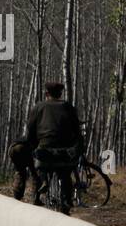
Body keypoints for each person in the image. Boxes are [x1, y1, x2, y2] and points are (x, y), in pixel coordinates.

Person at [18, 81, 84, 214]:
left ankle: (43, 182)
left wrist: (32, 145)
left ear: (46, 93)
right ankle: (66, 202)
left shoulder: (38, 107)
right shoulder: (68, 107)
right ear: (60, 94)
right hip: (65, 150)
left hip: (45, 147)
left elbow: (30, 129)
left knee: (41, 167)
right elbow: (77, 130)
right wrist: (77, 147)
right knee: (65, 174)